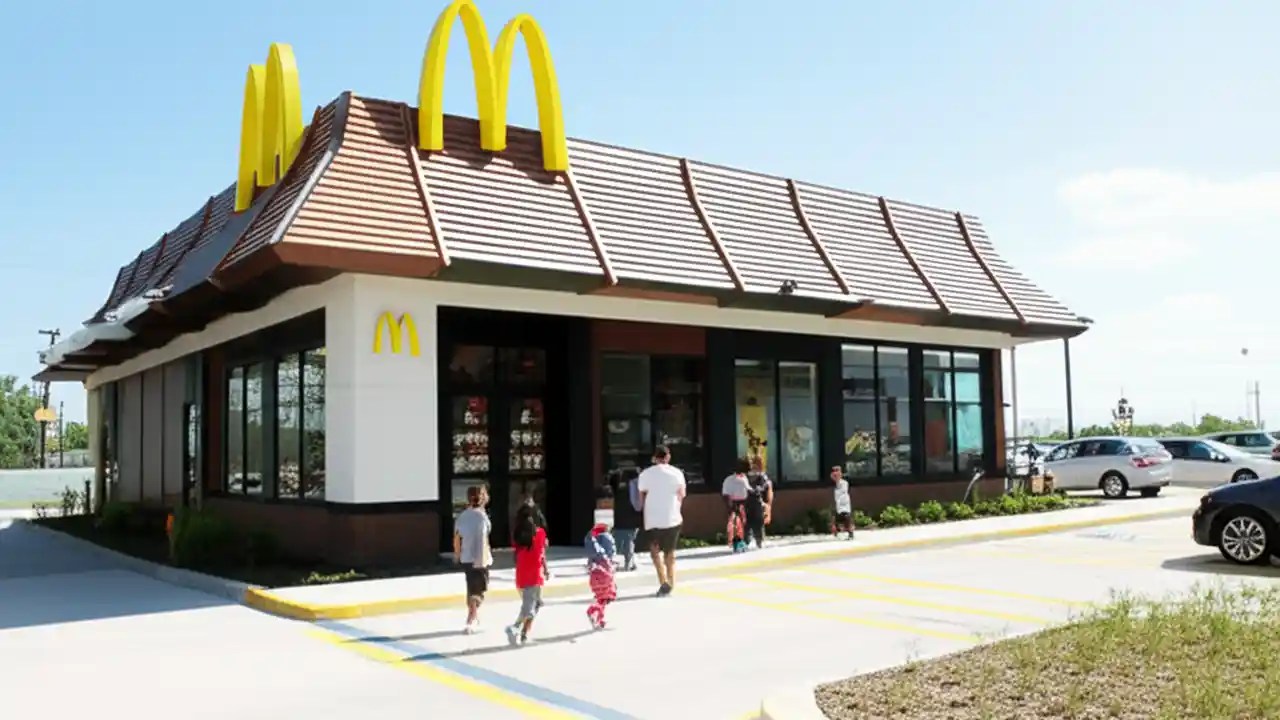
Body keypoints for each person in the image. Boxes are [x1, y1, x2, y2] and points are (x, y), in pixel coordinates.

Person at [638, 445, 686, 597]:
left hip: (652, 519)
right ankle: (671, 582)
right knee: (670, 554)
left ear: (655, 457)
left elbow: (641, 496)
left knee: (655, 552)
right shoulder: (677, 473)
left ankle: (663, 581)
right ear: (668, 457)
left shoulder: (645, 474)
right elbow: (682, 494)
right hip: (672, 517)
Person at [506, 500, 547, 646]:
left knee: (533, 605)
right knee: (530, 607)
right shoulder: (540, 534)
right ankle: (515, 628)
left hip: (521, 577)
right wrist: (546, 569)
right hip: (535, 577)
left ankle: (524, 632)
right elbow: (542, 554)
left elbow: (516, 556)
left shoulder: (517, 536)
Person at [453, 485, 493, 634]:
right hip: (480, 558)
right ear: (482, 497)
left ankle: (472, 615)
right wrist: (482, 559)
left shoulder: (462, 516)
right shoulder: (482, 517)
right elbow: (483, 537)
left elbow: (457, 538)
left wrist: (457, 555)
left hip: (467, 558)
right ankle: (472, 617)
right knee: (479, 589)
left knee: (472, 587)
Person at [584, 523, 618, 629]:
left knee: (602, 597)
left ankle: (599, 619)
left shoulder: (593, 541)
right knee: (605, 598)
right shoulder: (606, 538)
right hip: (605, 574)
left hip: (596, 576)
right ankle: (593, 611)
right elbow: (610, 552)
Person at [610, 467, 643, 571]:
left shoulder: (618, 485)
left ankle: (628, 562)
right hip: (631, 517)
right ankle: (629, 563)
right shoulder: (634, 485)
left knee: (622, 541)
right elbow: (638, 503)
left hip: (619, 517)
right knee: (629, 540)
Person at [721, 459, 751, 552]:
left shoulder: (744, 478)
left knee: (743, 523)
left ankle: (743, 542)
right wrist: (730, 507)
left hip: (744, 503)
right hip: (733, 503)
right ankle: (736, 543)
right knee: (735, 524)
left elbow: (748, 488)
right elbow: (726, 494)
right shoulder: (729, 480)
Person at [745, 457, 773, 549]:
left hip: (752, 501)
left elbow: (766, 487)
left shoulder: (759, 476)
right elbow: (767, 488)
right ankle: (752, 541)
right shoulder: (748, 475)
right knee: (752, 521)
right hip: (751, 501)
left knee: (754, 521)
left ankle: (755, 541)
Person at [830, 466, 854, 539]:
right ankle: (836, 532)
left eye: (837, 473)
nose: (835, 476)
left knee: (846, 519)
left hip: (844, 505)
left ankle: (850, 533)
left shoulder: (844, 483)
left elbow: (843, 494)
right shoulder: (837, 484)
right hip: (839, 505)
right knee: (835, 520)